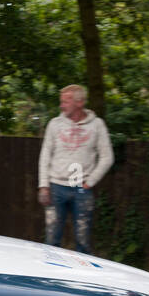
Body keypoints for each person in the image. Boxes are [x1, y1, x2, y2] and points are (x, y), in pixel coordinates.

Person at [37, 84, 113, 255]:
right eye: (61, 102)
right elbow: (45, 156)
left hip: (82, 190)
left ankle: (82, 279)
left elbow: (107, 157)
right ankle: (49, 276)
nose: (61, 106)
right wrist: (43, 186)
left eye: (65, 102)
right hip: (56, 187)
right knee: (51, 240)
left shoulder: (97, 125)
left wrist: (90, 182)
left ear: (79, 103)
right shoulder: (55, 124)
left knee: (83, 241)